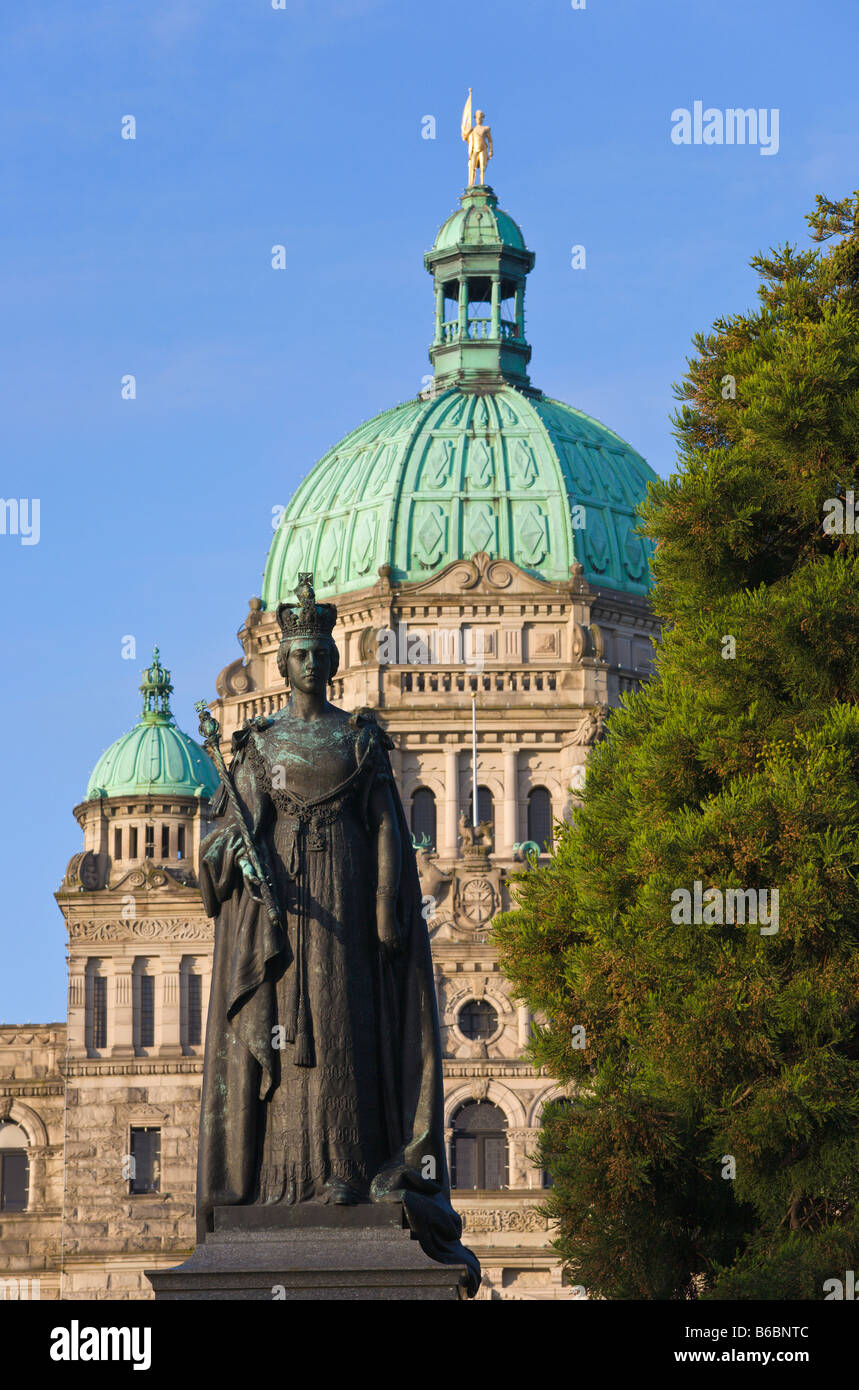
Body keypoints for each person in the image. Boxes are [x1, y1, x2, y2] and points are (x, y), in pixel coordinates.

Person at [195, 573, 479, 1293]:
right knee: (290, 1039)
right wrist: (228, 853)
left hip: (347, 903)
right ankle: (283, 1183)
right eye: (297, 652)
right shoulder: (258, 747)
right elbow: (229, 835)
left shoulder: (359, 738)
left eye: (321, 651)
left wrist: (388, 906)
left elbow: (386, 826)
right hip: (281, 906)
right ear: (281, 663)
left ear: (334, 658)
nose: (311, 663)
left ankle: (348, 1172)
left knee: (346, 1024)